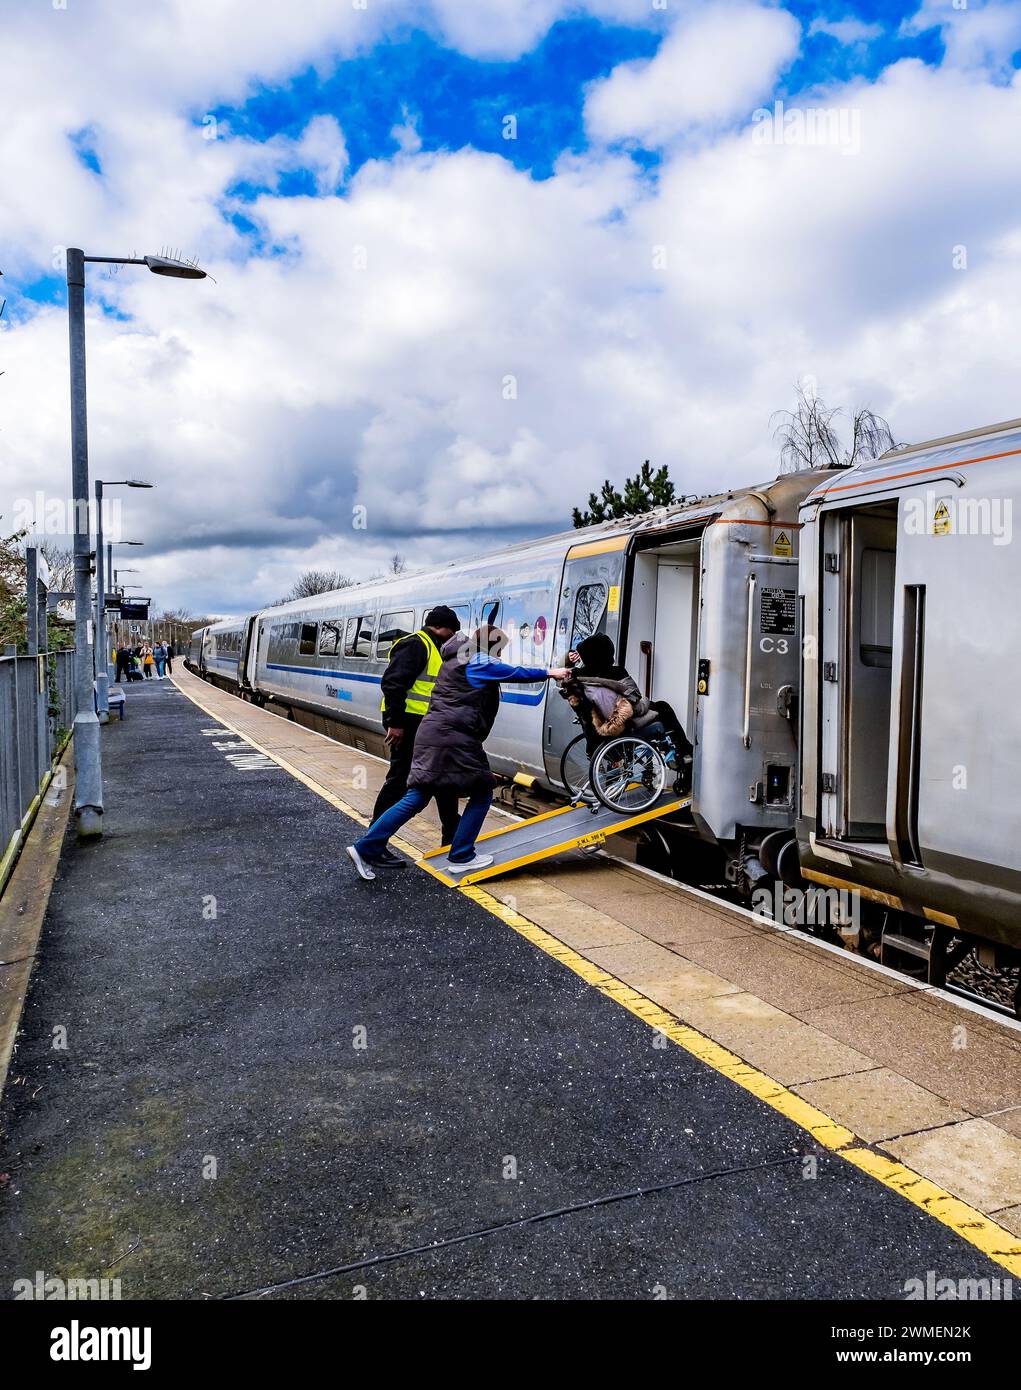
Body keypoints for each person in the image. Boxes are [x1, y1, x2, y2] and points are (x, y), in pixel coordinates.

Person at [348, 627, 569, 879]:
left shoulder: (457, 659)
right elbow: (513, 672)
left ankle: (366, 846)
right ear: (492, 647)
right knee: (482, 791)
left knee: (417, 797)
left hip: (435, 735)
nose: (500, 656)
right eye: (500, 650)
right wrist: (551, 672)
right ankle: (462, 855)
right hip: (452, 739)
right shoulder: (476, 660)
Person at [371, 605, 463, 866]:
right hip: (408, 727)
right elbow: (393, 684)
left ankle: (452, 843)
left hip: (426, 728)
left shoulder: (435, 647)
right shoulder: (415, 645)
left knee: (445, 782)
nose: (453, 635)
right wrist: (395, 723)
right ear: (442, 627)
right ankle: (373, 844)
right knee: (400, 783)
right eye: (452, 630)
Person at [563, 633, 692, 768]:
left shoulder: (578, 678)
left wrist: (569, 658)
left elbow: (563, 673)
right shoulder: (617, 673)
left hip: (597, 735)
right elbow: (636, 702)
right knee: (662, 707)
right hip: (623, 728)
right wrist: (646, 701)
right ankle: (684, 752)